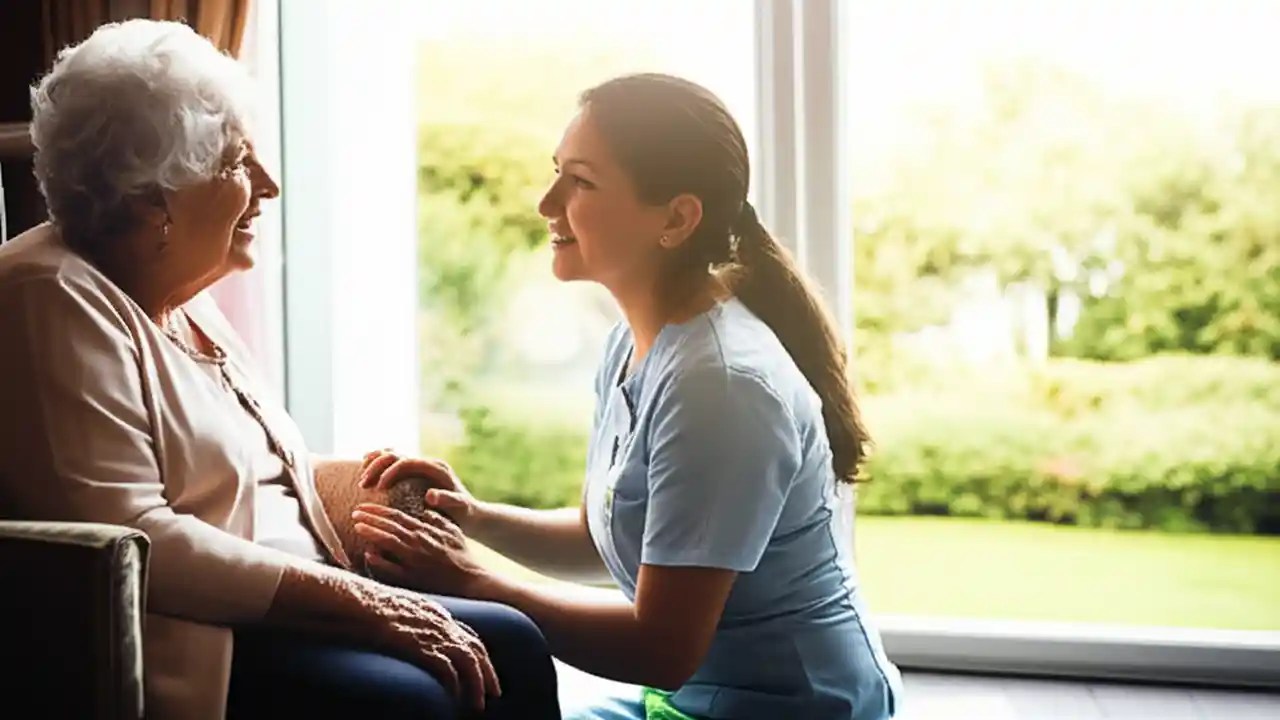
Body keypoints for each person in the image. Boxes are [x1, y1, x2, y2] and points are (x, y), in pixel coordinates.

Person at [0, 19, 559, 720]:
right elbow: (141, 538)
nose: (268, 185)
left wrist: (365, 483)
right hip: (202, 638)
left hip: (282, 610)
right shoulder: (47, 295)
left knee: (514, 643)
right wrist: (362, 603)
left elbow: (241, 476)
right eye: (236, 163)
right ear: (153, 198)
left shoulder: (177, 295)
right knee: (417, 699)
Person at [353, 73, 904, 719]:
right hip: (688, 702)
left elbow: (661, 649)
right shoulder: (636, 344)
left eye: (581, 181)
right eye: (556, 172)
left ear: (676, 218)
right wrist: (471, 516)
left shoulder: (720, 388)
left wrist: (468, 581)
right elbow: (601, 540)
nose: (545, 201)